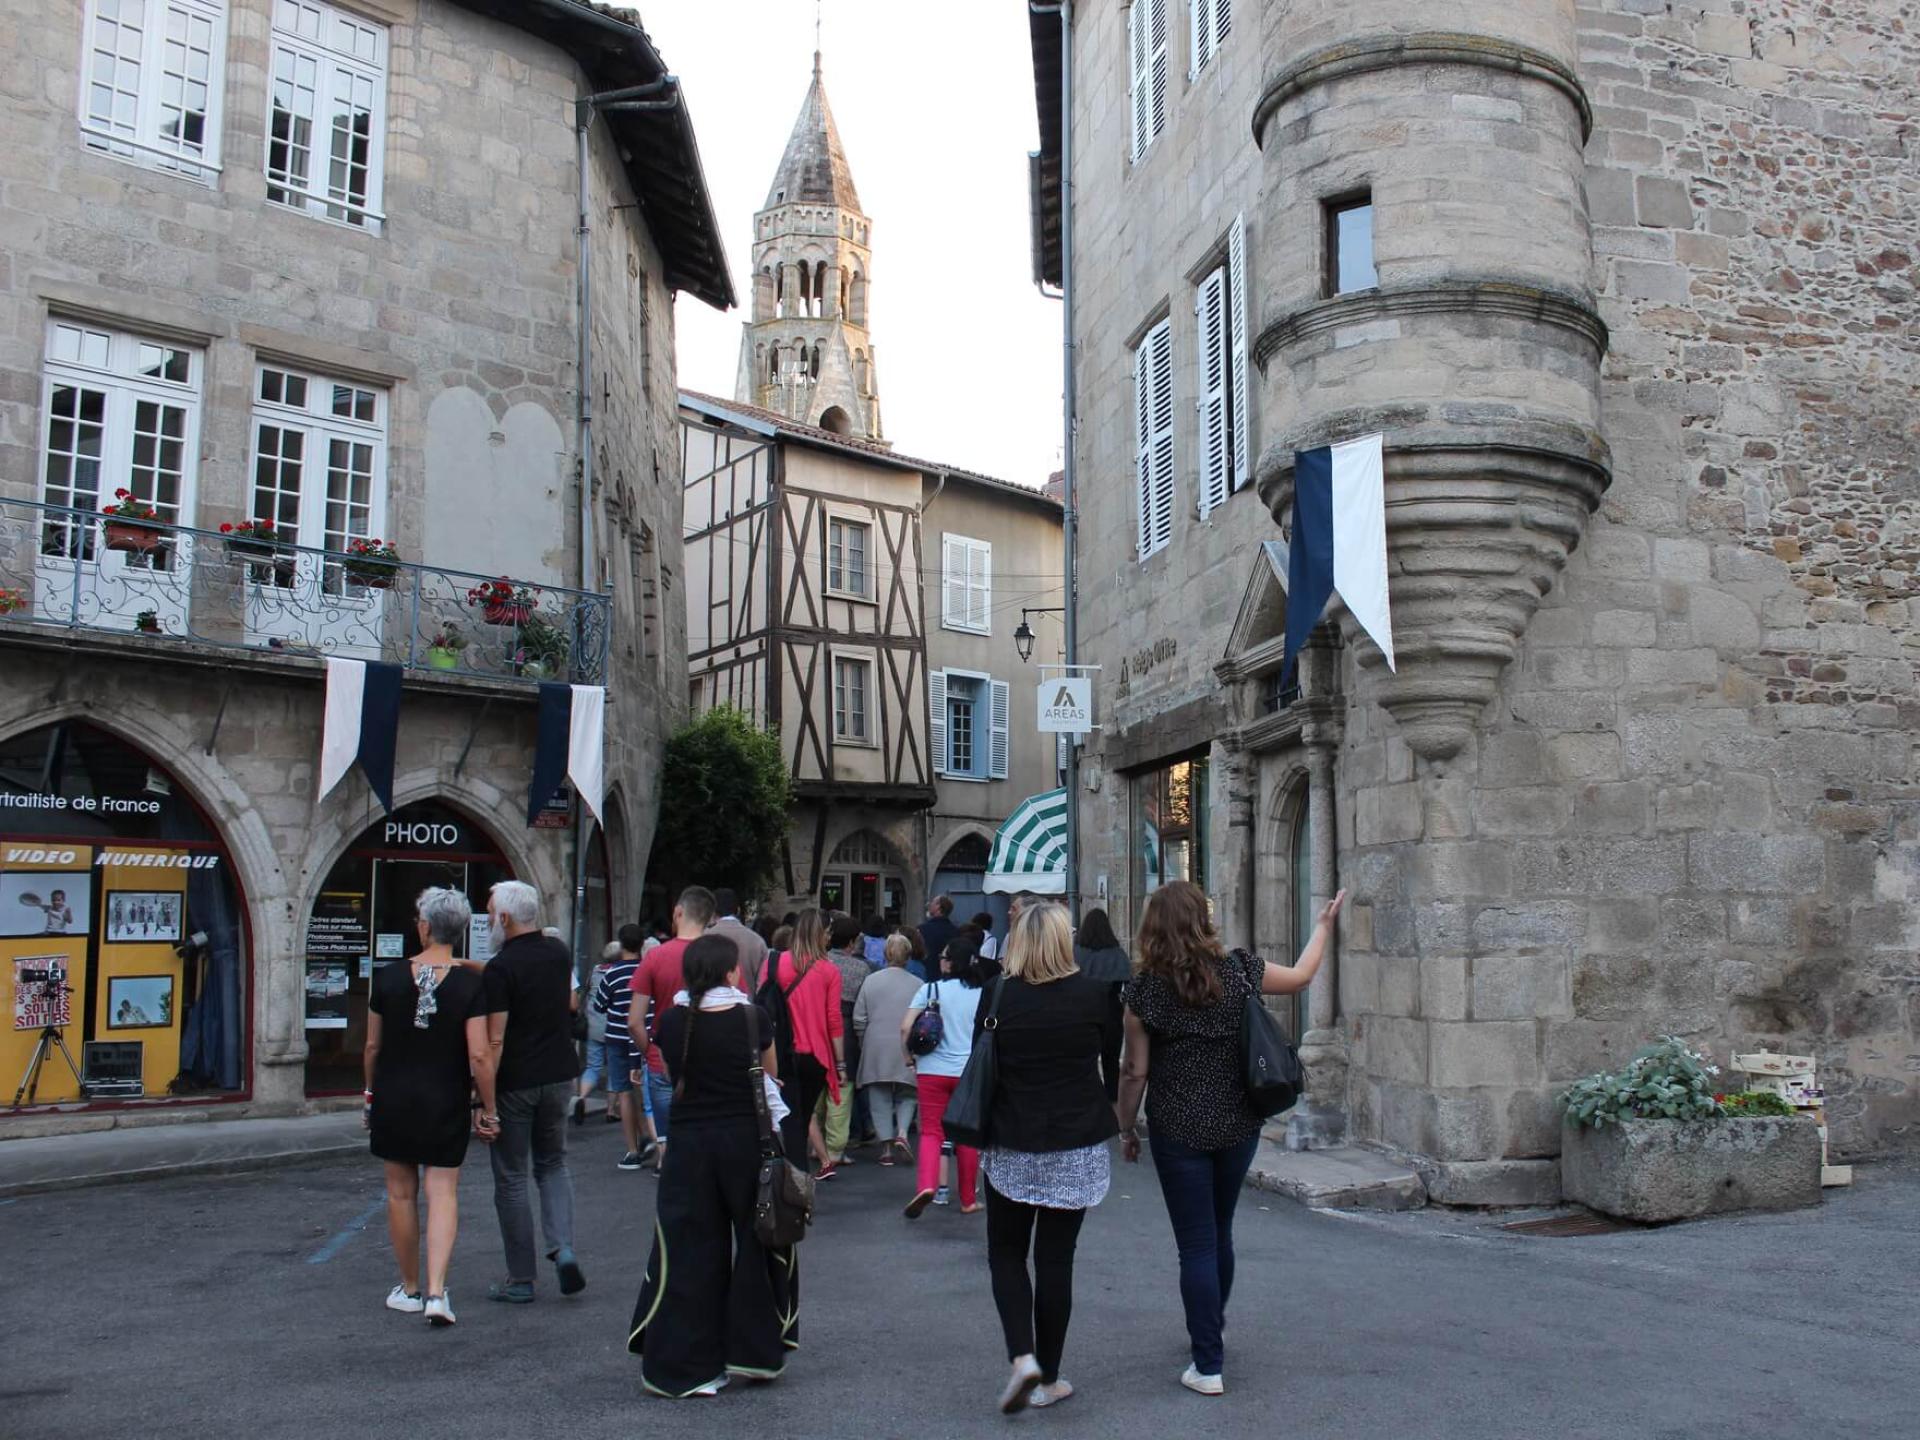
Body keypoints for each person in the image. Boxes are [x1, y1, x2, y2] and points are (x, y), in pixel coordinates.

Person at [1118, 880, 1346, 1396]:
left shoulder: (1144, 991)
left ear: (1153, 927)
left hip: (1178, 1129)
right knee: (1219, 1233)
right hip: (1238, 1125)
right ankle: (1210, 1332)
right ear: (1203, 920)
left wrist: (1125, 1126)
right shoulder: (1239, 970)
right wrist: (1322, 927)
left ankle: (1208, 1363)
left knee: (1196, 1244)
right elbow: (1303, 977)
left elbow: (1135, 1072)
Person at [627, 935, 797, 1396]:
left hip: (689, 1146)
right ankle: (755, 1352)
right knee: (758, 1241)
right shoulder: (753, 1018)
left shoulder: (673, 1020)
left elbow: (671, 1073)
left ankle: (688, 1367)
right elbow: (770, 1073)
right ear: (729, 972)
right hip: (746, 1142)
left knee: (689, 1249)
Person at [975, 902, 1117, 1413]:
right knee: (1056, 1260)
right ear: (1063, 941)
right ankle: (1049, 1378)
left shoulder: (999, 993)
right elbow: (1110, 1064)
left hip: (1012, 1138)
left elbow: (981, 1059)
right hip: (1075, 1141)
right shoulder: (1094, 996)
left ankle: (1022, 1356)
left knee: (1006, 1253)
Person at [365, 887, 497, 1328]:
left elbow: (372, 1046)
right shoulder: (470, 984)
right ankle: (438, 1292)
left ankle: (409, 1287)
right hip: (445, 1096)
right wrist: (489, 1106)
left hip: (394, 1094)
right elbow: (479, 1054)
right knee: (442, 1192)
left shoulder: (387, 978)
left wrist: (369, 1092)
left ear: (423, 926)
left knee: (400, 1194)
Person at [482, 880, 584, 1304]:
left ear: (505, 919)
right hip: (559, 1074)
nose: (489, 920)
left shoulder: (500, 968)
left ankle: (521, 1278)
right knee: (553, 1164)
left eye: (491, 914)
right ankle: (563, 1248)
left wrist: (484, 1100)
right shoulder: (557, 953)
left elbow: (495, 1039)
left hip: (516, 1080)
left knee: (511, 1177)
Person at [899, 933, 988, 1217]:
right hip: (967, 1071)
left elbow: (905, 1027)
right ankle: (968, 1200)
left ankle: (926, 1185)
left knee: (931, 1132)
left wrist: (908, 1058)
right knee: (967, 1134)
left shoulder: (930, 990)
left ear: (951, 963)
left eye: (943, 957)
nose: (940, 961)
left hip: (931, 1070)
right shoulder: (982, 993)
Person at [631, 886, 714, 1166]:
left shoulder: (655, 957)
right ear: (709, 918)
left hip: (663, 1057)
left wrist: (649, 1051)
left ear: (678, 912)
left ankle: (669, 1171)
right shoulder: (719, 957)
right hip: (707, 1057)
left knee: (669, 1138)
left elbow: (634, 1021)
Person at [769, 908, 844, 1171]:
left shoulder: (776, 963)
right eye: (828, 932)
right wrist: (841, 1063)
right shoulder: (829, 971)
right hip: (815, 1054)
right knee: (802, 1117)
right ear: (820, 934)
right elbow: (833, 1019)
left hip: (781, 1052)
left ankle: (791, 1175)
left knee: (789, 1118)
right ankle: (797, 1177)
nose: (830, 937)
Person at [853, 934, 922, 1165]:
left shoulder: (871, 981)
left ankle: (886, 1148)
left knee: (878, 1095)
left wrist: (863, 1041)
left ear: (885, 954)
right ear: (908, 956)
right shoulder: (918, 984)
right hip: (906, 1045)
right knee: (908, 1093)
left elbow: (859, 1017)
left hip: (876, 1044)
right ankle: (902, 1132)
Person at [593, 924, 655, 1166]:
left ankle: (632, 1150)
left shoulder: (612, 974)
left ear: (621, 945)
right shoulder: (648, 970)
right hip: (645, 1036)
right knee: (647, 1090)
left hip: (618, 1038)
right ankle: (652, 1138)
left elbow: (599, 1005)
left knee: (624, 1092)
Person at [816, 915, 869, 1174]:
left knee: (817, 1085)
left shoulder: (819, 962)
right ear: (851, 942)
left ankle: (815, 1142)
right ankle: (835, 1147)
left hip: (817, 1025)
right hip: (846, 1028)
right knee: (841, 1088)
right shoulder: (861, 968)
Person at [1073, 908, 1131, 1103]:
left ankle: (1088, 1101)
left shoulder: (1076, 953)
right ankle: (1113, 1103)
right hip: (1111, 1013)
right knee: (1111, 1061)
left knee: (1084, 1062)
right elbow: (1129, 986)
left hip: (1082, 1013)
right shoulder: (1117, 954)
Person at [575, 942, 618, 1126]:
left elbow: (584, 992)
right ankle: (611, 1110)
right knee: (615, 1069)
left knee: (593, 1066)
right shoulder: (620, 973)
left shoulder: (595, 971)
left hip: (594, 1024)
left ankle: (581, 1097)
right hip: (614, 1025)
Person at [711, 888, 770, 995]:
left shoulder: (703, 939)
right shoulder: (756, 941)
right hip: (749, 1003)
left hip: (710, 1004)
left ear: (713, 911)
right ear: (738, 910)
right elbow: (763, 984)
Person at [918, 895, 957, 976]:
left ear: (938, 907)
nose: (929, 904)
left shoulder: (922, 930)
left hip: (926, 974)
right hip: (948, 975)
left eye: (932, 902)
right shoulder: (956, 931)